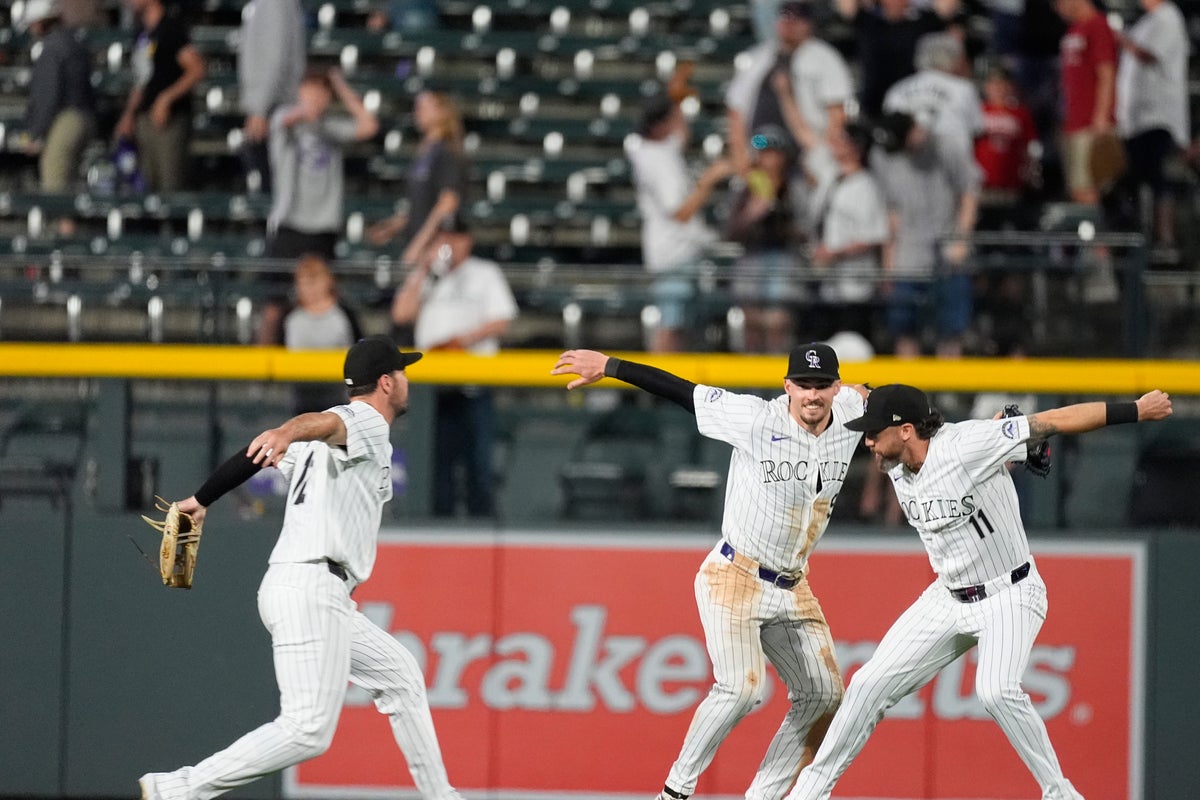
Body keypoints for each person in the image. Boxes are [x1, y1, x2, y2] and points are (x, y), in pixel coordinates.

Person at [783, 383, 1174, 800]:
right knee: (866, 686)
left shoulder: (967, 445)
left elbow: (1054, 420)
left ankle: (1060, 792)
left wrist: (1135, 409)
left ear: (906, 431)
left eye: (875, 432)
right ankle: (810, 792)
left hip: (1010, 593)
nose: (868, 442)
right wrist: (840, 385)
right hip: (948, 598)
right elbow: (868, 396)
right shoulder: (897, 457)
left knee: (995, 690)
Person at [137, 335, 465, 800]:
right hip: (312, 585)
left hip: (310, 587)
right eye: (403, 373)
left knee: (400, 674)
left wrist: (200, 499)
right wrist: (290, 430)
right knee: (308, 729)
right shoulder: (366, 419)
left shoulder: (335, 439)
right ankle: (178, 788)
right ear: (387, 383)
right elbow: (324, 421)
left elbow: (257, 452)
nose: (409, 380)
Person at [551, 343, 868, 800]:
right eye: (803, 385)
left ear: (837, 388)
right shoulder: (756, 418)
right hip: (734, 574)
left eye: (822, 386)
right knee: (740, 689)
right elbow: (683, 392)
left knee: (825, 697)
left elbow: (900, 407)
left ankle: (764, 796)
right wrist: (611, 367)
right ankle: (675, 792)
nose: (812, 395)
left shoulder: (853, 411)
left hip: (794, 585)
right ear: (788, 387)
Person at [390, 217, 518, 517]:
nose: (449, 242)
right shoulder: (430, 274)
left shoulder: (484, 273)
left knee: (477, 466)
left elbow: (502, 321)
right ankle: (436, 528)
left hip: (472, 383)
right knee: (435, 467)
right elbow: (401, 314)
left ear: (468, 240)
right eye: (444, 236)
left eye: (455, 236)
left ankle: (481, 532)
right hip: (432, 389)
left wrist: (462, 340)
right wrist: (424, 270)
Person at [773, 74, 887, 341]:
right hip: (826, 283)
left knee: (852, 345)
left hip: (853, 285)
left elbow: (874, 236)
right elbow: (803, 135)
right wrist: (786, 95)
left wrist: (834, 252)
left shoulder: (866, 186)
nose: (833, 143)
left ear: (856, 147)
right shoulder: (829, 175)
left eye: (841, 140)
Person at [628, 92, 733, 352]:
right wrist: (708, 180)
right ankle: (658, 389)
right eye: (674, 118)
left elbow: (680, 136)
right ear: (659, 125)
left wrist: (675, 92)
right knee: (671, 326)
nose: (680, 121)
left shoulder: (651, 146)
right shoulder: (658, 162)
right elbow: (681, 213)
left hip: (681, 251)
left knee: (683, 326)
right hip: (672, 253)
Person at [870, 110, 981, 358]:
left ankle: (950, 392)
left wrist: (961, 240)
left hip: (947, 252)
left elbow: (970, 191)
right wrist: (888, 263)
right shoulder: (883, 155)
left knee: (950, 330)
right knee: (903, 328)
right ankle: (907, 394)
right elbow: (890, 210)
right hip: (906, 256)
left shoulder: (944, 147)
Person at [725, 0, 853, 177]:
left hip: (805, 151)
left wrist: (824, 156)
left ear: (808, 24)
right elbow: (736, 110)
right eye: (785, 20)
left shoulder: (824, 58)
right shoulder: (759, 56)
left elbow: (837, 115)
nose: (789, 25)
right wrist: (740, 155)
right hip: (761, 145)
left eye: (795, 21)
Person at [267, 66, 379, 262]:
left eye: (322, 92)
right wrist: (306, 109)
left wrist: (340, 86)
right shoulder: (284, 119)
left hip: (323, 226)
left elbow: (369, 126)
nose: (316, 96)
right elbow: (285, 120)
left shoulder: (331, 126)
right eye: (311, 90)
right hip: (289, 223)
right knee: (278, 290)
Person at [1114, 0, 1190, 246]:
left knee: (1160, 180)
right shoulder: (1145, 22)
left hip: (1159, 117)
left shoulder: (1169, 16)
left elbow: (1149, 55)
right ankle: (1138, 237)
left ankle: (1165, 240)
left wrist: (1119, 38)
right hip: (1135, 120)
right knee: (1135, 180)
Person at [725, 125, 805, 353]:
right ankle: (752, 384)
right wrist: (752, 213)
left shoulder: (795, 185)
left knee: (777, 322)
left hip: (784, 256)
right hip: (752, 255)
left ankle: (783, 382)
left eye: (772, 152)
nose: (766, 158)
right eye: (762, 152)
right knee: (751, 324)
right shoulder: (745, 185)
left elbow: (807, 229)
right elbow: (730, 231)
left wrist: (780, 212)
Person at [367, 90, 470, 267]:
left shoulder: (446, 152)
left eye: (423, 107)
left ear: (443, 112)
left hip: (436, 248)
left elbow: (447, 203)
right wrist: (393, 226)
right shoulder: (425, 152)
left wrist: (418, 245)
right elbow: (422, 204)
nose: (418, 112)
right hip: (421, 242)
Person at [114, 0, 206, 192]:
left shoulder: (170, 29)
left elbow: (197, 69)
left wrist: (166, 98)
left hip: (169, 120)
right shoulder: (142, 32)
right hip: (145, 118)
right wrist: (129, 115)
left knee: (170, 185)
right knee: (145, 187)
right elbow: (141, 81)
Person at [19, 0, 96, 193]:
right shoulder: (73, 41)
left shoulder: (52, 48)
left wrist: (35, 132)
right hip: (85, 116)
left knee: (55, 183)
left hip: (66, 118)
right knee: (69, 183)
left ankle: (65, 223)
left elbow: (49, 94)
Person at [833, 0, 957, 118]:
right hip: (874, 105)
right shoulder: (867, 22)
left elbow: (945, 9)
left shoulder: (923, 23)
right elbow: (847, 8)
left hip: (913, 103)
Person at [1053, 0, 1119, 205]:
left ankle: (1097, 237)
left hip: (1091, 122)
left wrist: (1101, 116)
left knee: (1086, 188)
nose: (1058, 8)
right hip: (1074, 120)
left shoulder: (1098, 25)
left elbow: (1106, 73)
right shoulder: (1074, 29)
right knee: (1077, 188)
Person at [238, 0, 306, 192]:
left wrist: (260, 109)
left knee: (273, 187)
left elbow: (276, 59)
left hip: (273, 107)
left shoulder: (274, 3)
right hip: (273, 105)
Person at [882, 32, 983, 152]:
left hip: (906, 164)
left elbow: (887, 133)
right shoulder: (964, 89)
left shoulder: (897, 89)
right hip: (952, 163)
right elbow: (977, 130)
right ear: (953, 58)